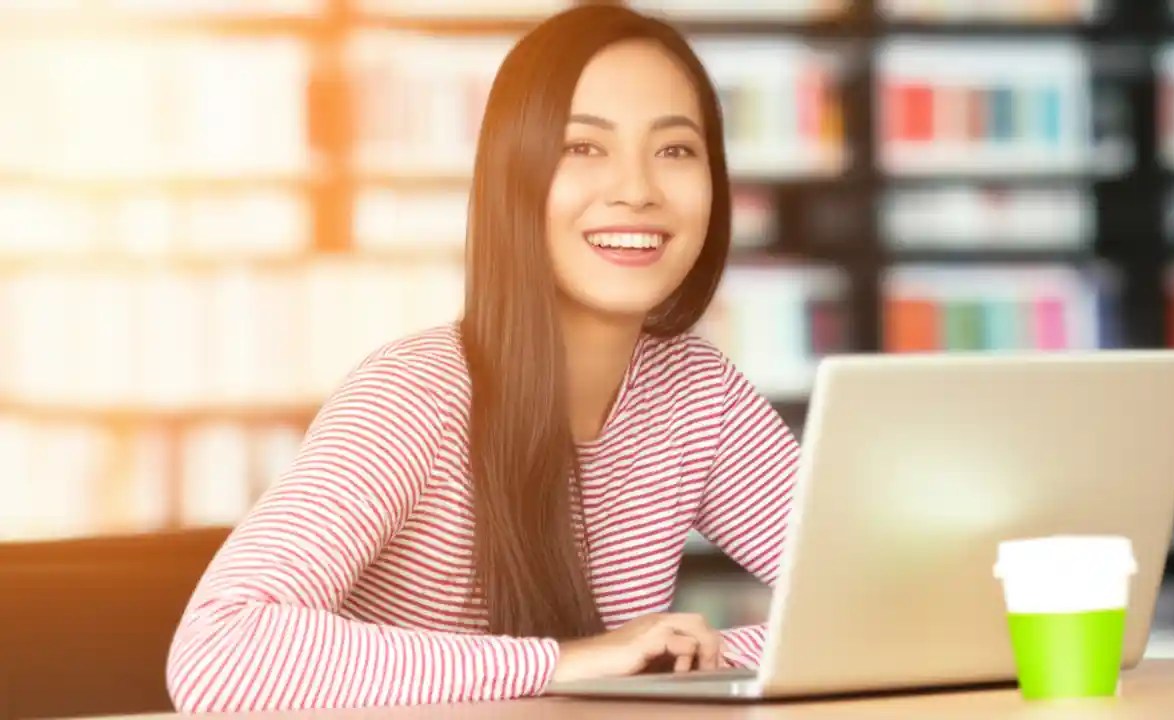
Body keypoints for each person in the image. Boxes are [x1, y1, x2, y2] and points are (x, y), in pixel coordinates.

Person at [166, 4, 799, 712]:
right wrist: (566, 662)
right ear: (514, 177)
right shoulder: (414, 396)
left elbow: (874, 606)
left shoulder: (695, 392)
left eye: (675, 150)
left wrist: (680, 657)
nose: (637, 189)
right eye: (583, 148)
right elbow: (219, 653)